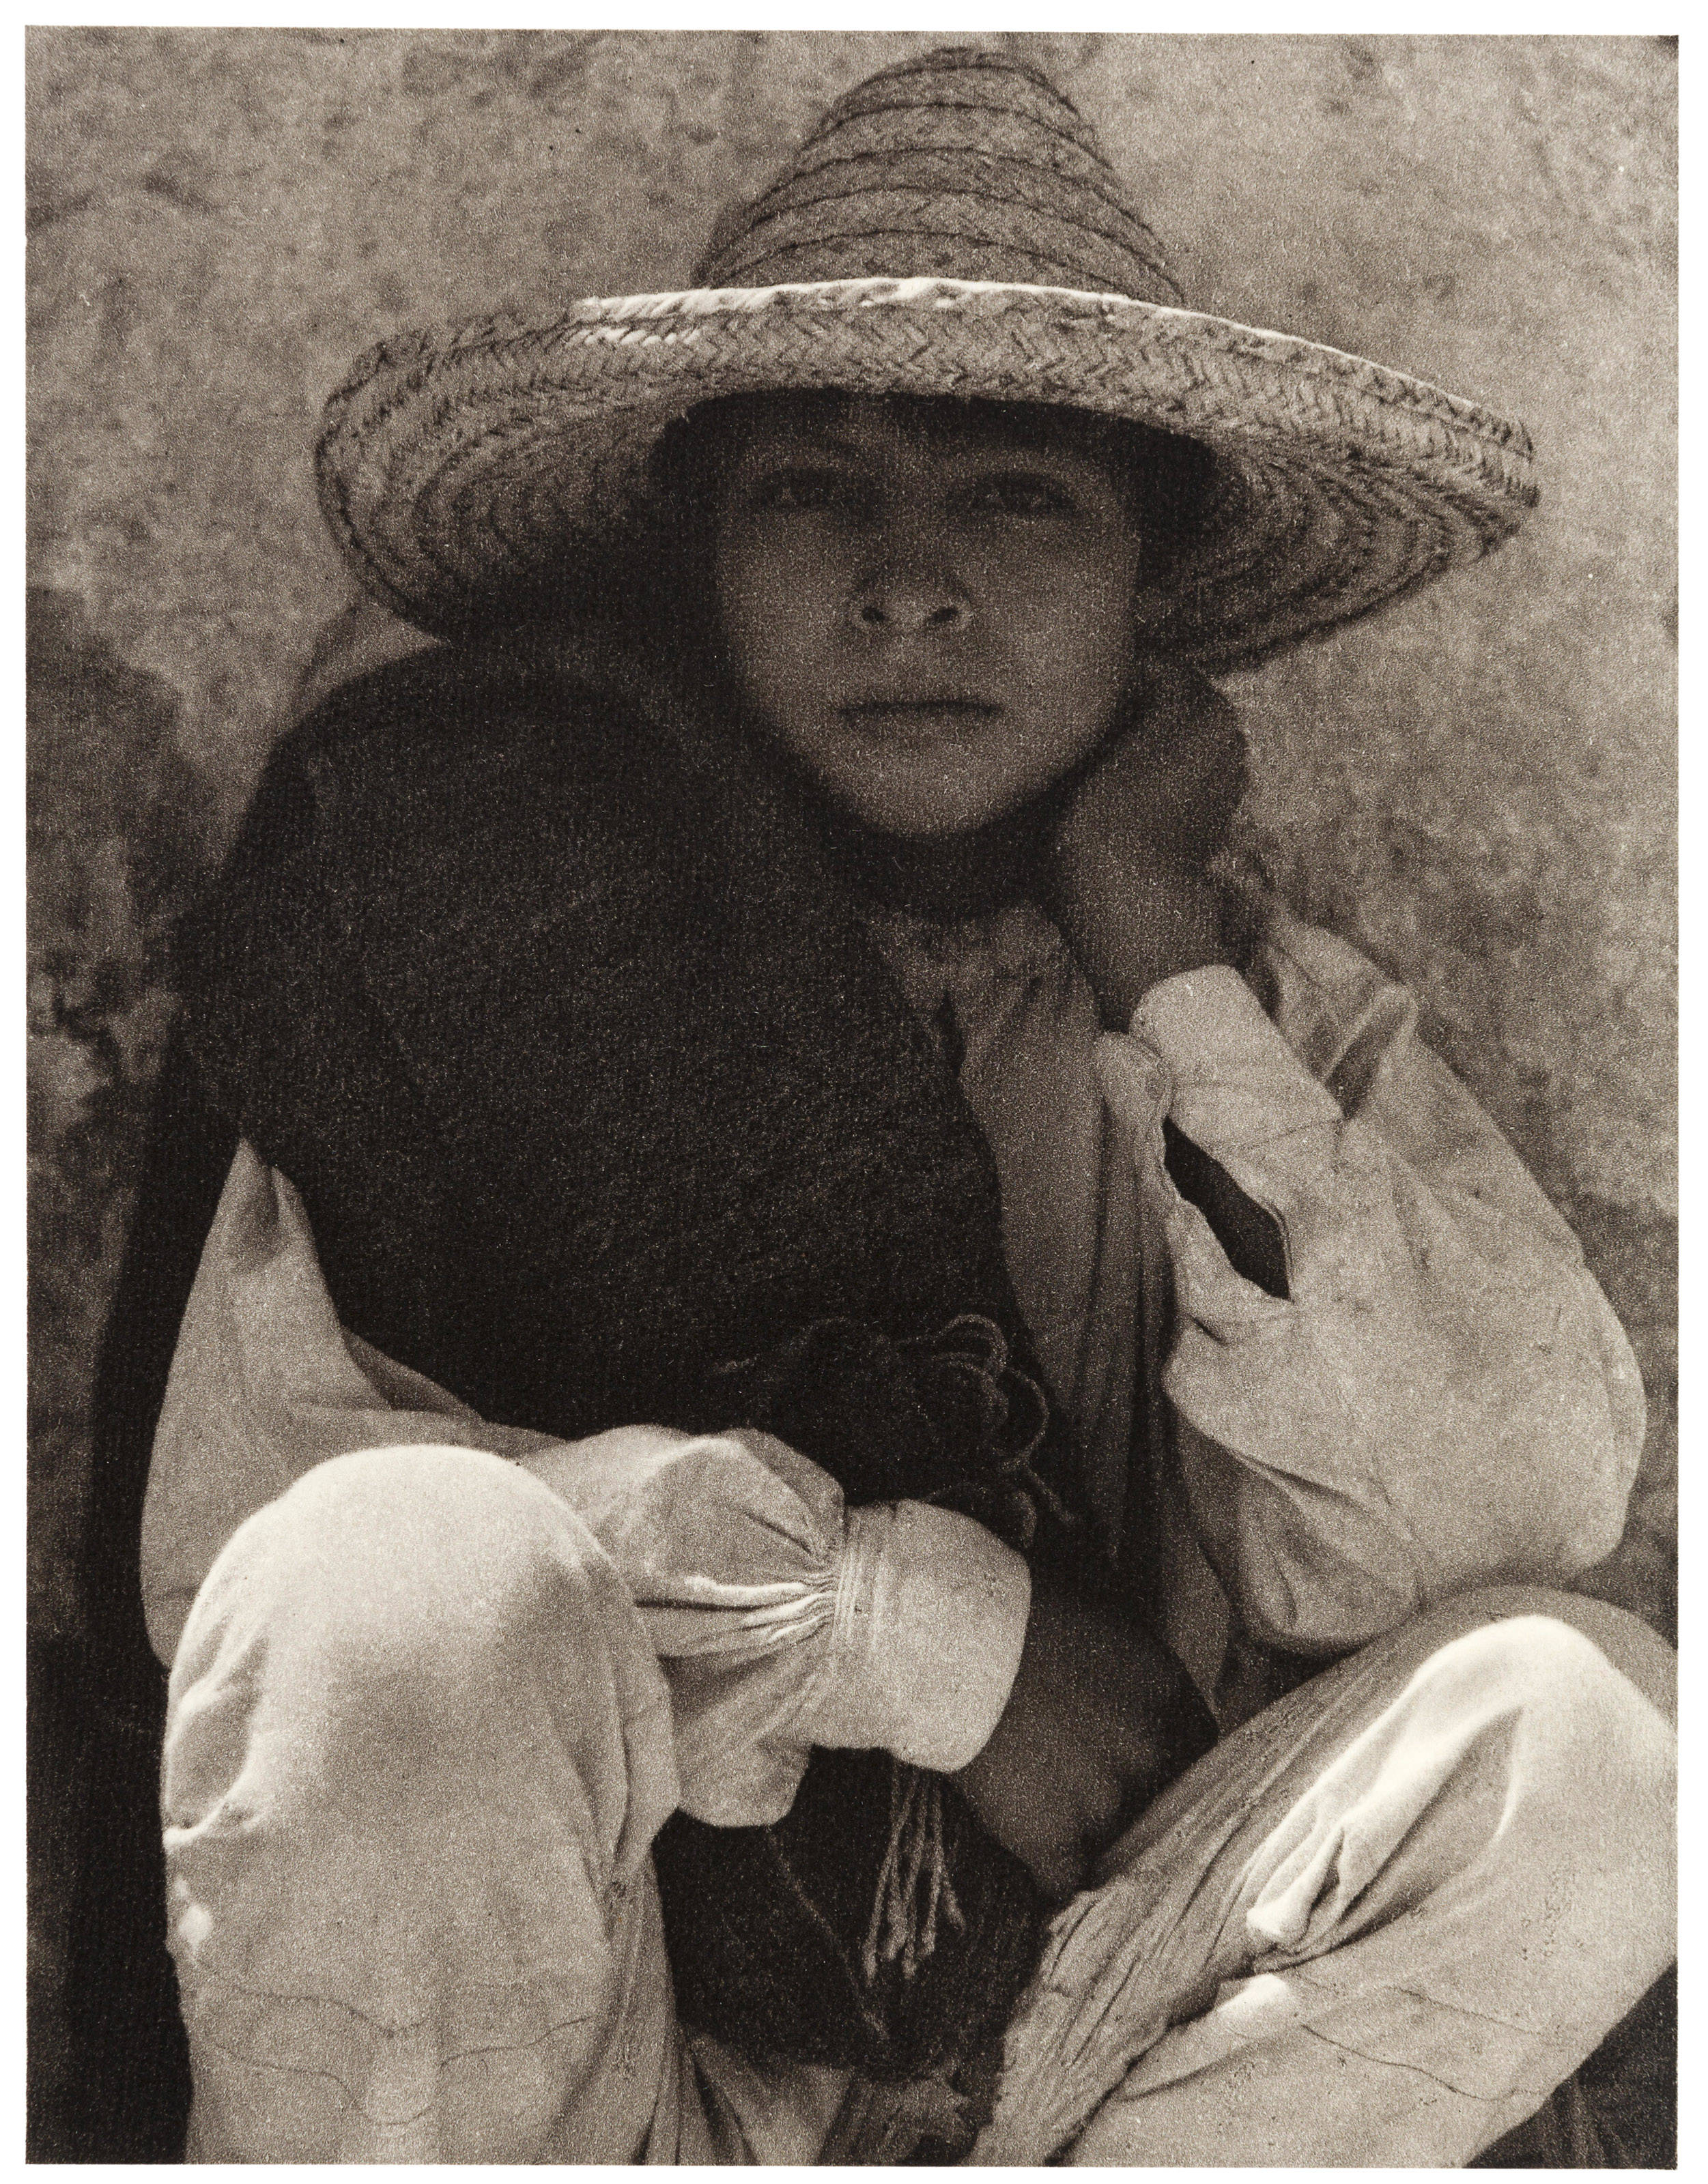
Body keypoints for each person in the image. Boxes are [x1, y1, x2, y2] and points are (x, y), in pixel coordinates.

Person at [73, 44, 1672, 2165]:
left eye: (1019, 494)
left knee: (1589, 1726)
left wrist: (1147, 936)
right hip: (583, 2071)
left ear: (1149, 589)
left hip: (1095, 2067)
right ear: (698, 560)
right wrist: (925, 1644)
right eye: (811, 490)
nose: (909, 584)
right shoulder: (467, 955)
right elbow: (250, 1568)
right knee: (395, 1575)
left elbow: (1505, 1500)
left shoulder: (1249, 1015)